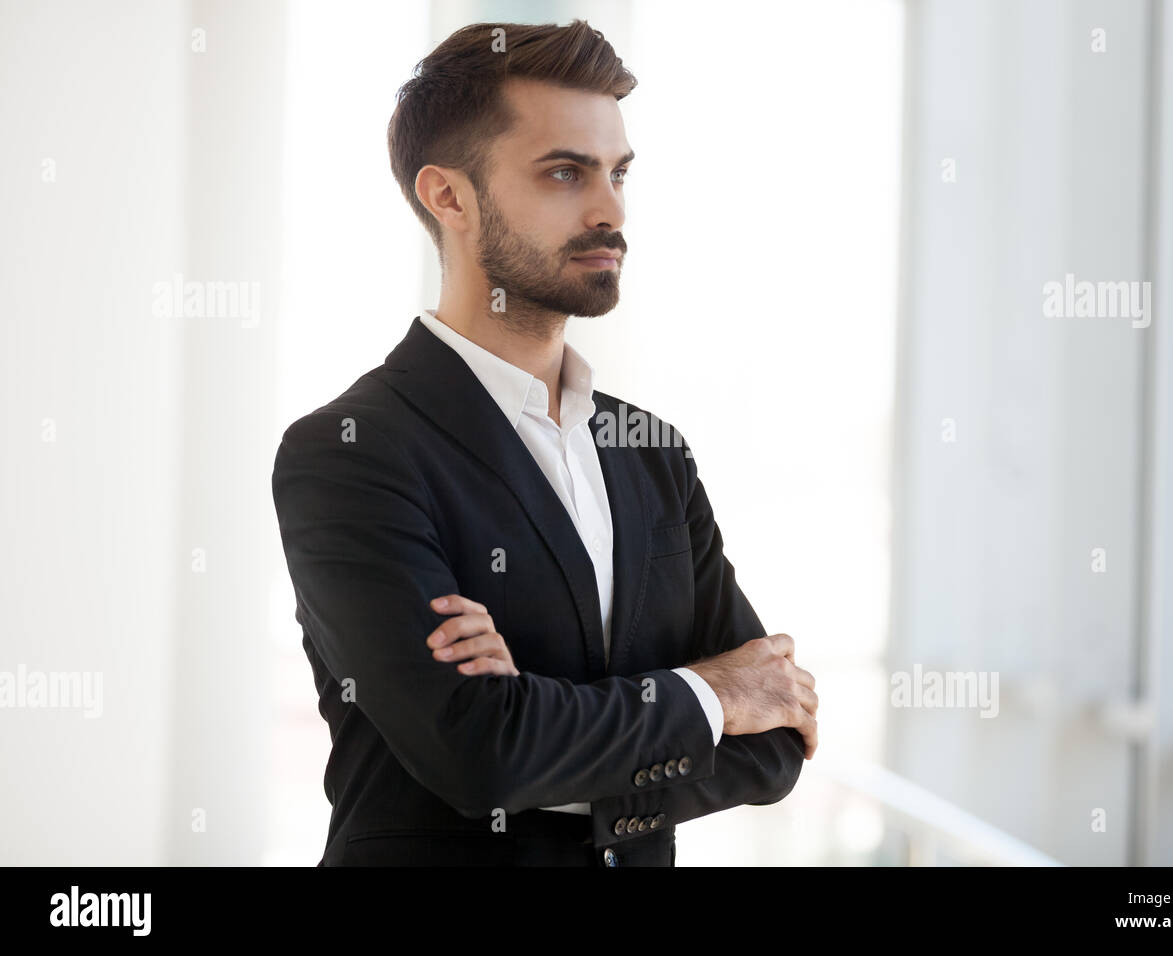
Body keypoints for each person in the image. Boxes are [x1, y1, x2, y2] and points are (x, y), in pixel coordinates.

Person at [271, 19, 818, 867]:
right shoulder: (350, 453)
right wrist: (712, 693)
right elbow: (479, 752)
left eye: (618, 173)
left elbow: (776, 741)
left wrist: (542, 717)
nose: (611, 210)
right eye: (565, 173)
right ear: (448, 196)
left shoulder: (652, 453)